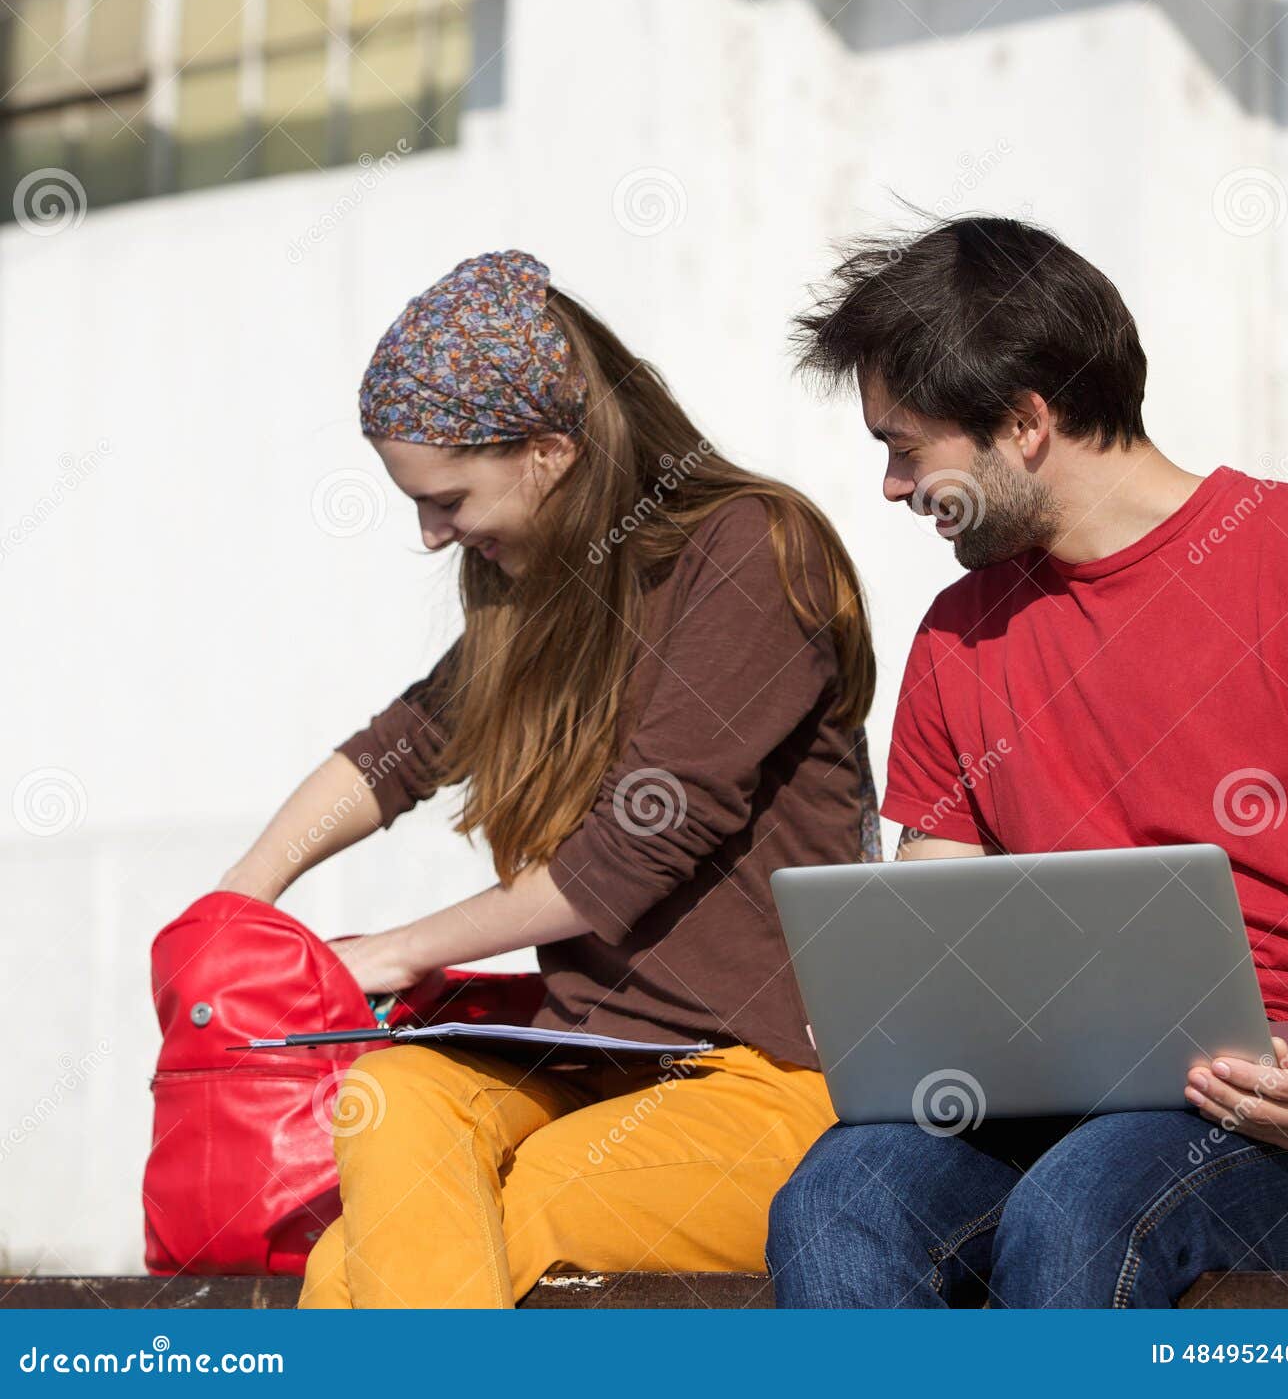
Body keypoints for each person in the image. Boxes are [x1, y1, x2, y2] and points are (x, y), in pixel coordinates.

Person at [764, 215, 1288, 1308]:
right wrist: (887, 1010)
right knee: (834, 1203)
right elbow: (938, 917)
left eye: (905, 445)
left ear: (1023, 422)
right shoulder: (954, 636)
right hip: (1046, 1100)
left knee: (1082, 1210)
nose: (888, 485)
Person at [218, 250, 878, 1308]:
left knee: (383, 1256)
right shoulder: (541, 591)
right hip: (590, 1065)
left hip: (772, 1084)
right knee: (393, 1093)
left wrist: (385, 953)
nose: (432, 536)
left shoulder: (751, 548)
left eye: (446, 499)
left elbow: (635, 848)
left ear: (549, 451)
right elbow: (404, 746)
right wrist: (235, 904)